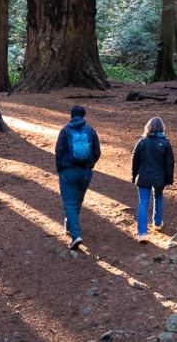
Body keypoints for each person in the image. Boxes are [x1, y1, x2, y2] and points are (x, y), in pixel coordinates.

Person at [54, 105, 101, 249]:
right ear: (83, 116)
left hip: (68, 171)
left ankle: (75, 235)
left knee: (69, 202)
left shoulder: (65, 131)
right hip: (85, 172)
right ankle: (70, 226)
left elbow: (59, 151)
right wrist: (90, 164)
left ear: (71, 115)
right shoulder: (91, 131)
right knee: (78, 199)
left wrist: (60, 168)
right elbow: (97, 152)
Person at [131, 117, 175, 243]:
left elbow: (135, 159)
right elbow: (169, 163)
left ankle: (142, 233)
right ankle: (157, 223)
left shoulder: (142, 142)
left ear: (148, 128)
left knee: (143, 202)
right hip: (160, 178)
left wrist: (134, 176)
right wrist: (169, 181)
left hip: (143, 177)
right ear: (161, 128)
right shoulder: (165, 143)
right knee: (158, 197)